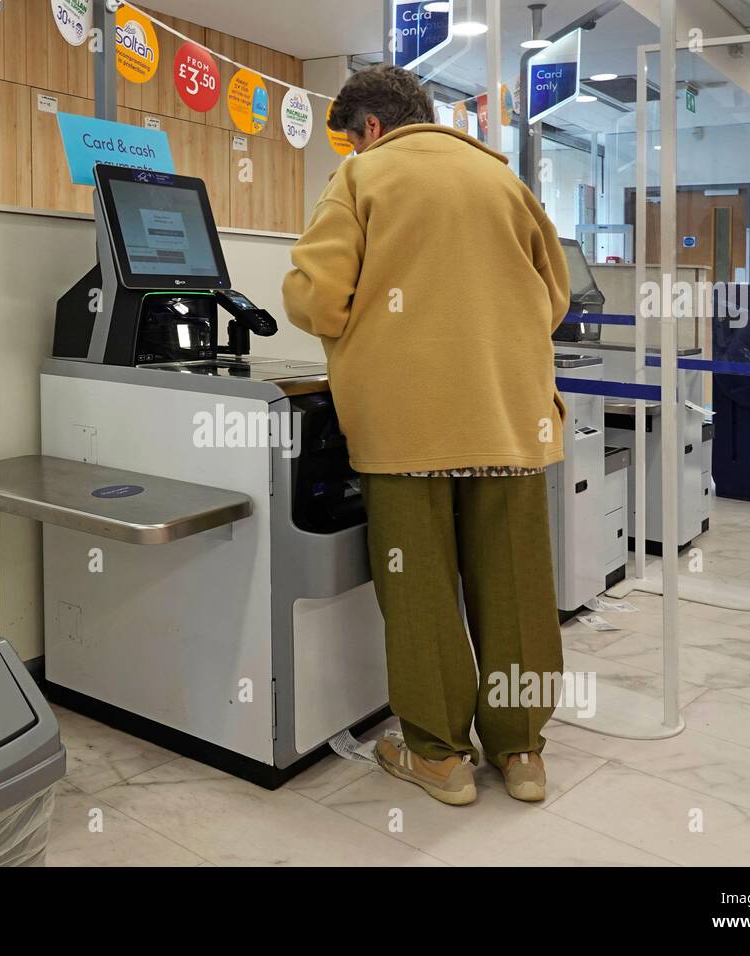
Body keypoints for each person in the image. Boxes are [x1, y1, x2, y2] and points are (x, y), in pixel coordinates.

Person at [282, 65, 571, 806]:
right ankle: (521, 751)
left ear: (370, 128)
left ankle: (439, 757)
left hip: (406, 427)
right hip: (511, 417)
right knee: (514, 582)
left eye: (347, 138)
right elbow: (555, 299)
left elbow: (319, 299)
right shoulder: (504, 181)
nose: (347, 151)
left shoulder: (363, 178)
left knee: (421, 588)